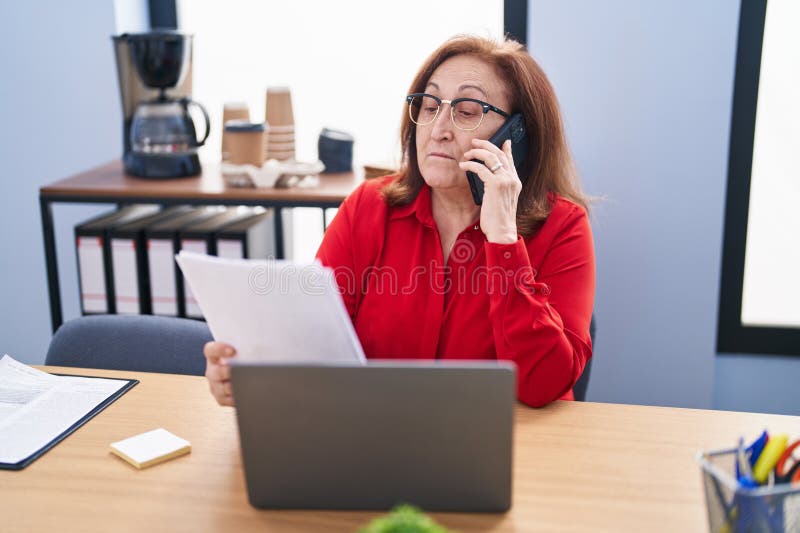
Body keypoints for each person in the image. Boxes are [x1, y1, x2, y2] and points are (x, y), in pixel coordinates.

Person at [204, 35, 595, 408]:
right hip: (380, 442)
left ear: (517, 136)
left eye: (467, 111)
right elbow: (313, 342)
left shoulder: (563, 226)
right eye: (429, 106)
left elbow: (543, 384)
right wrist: (252, 373)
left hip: (520, 452)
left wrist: (505, 240)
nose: (439, 130)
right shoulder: (368, 208)